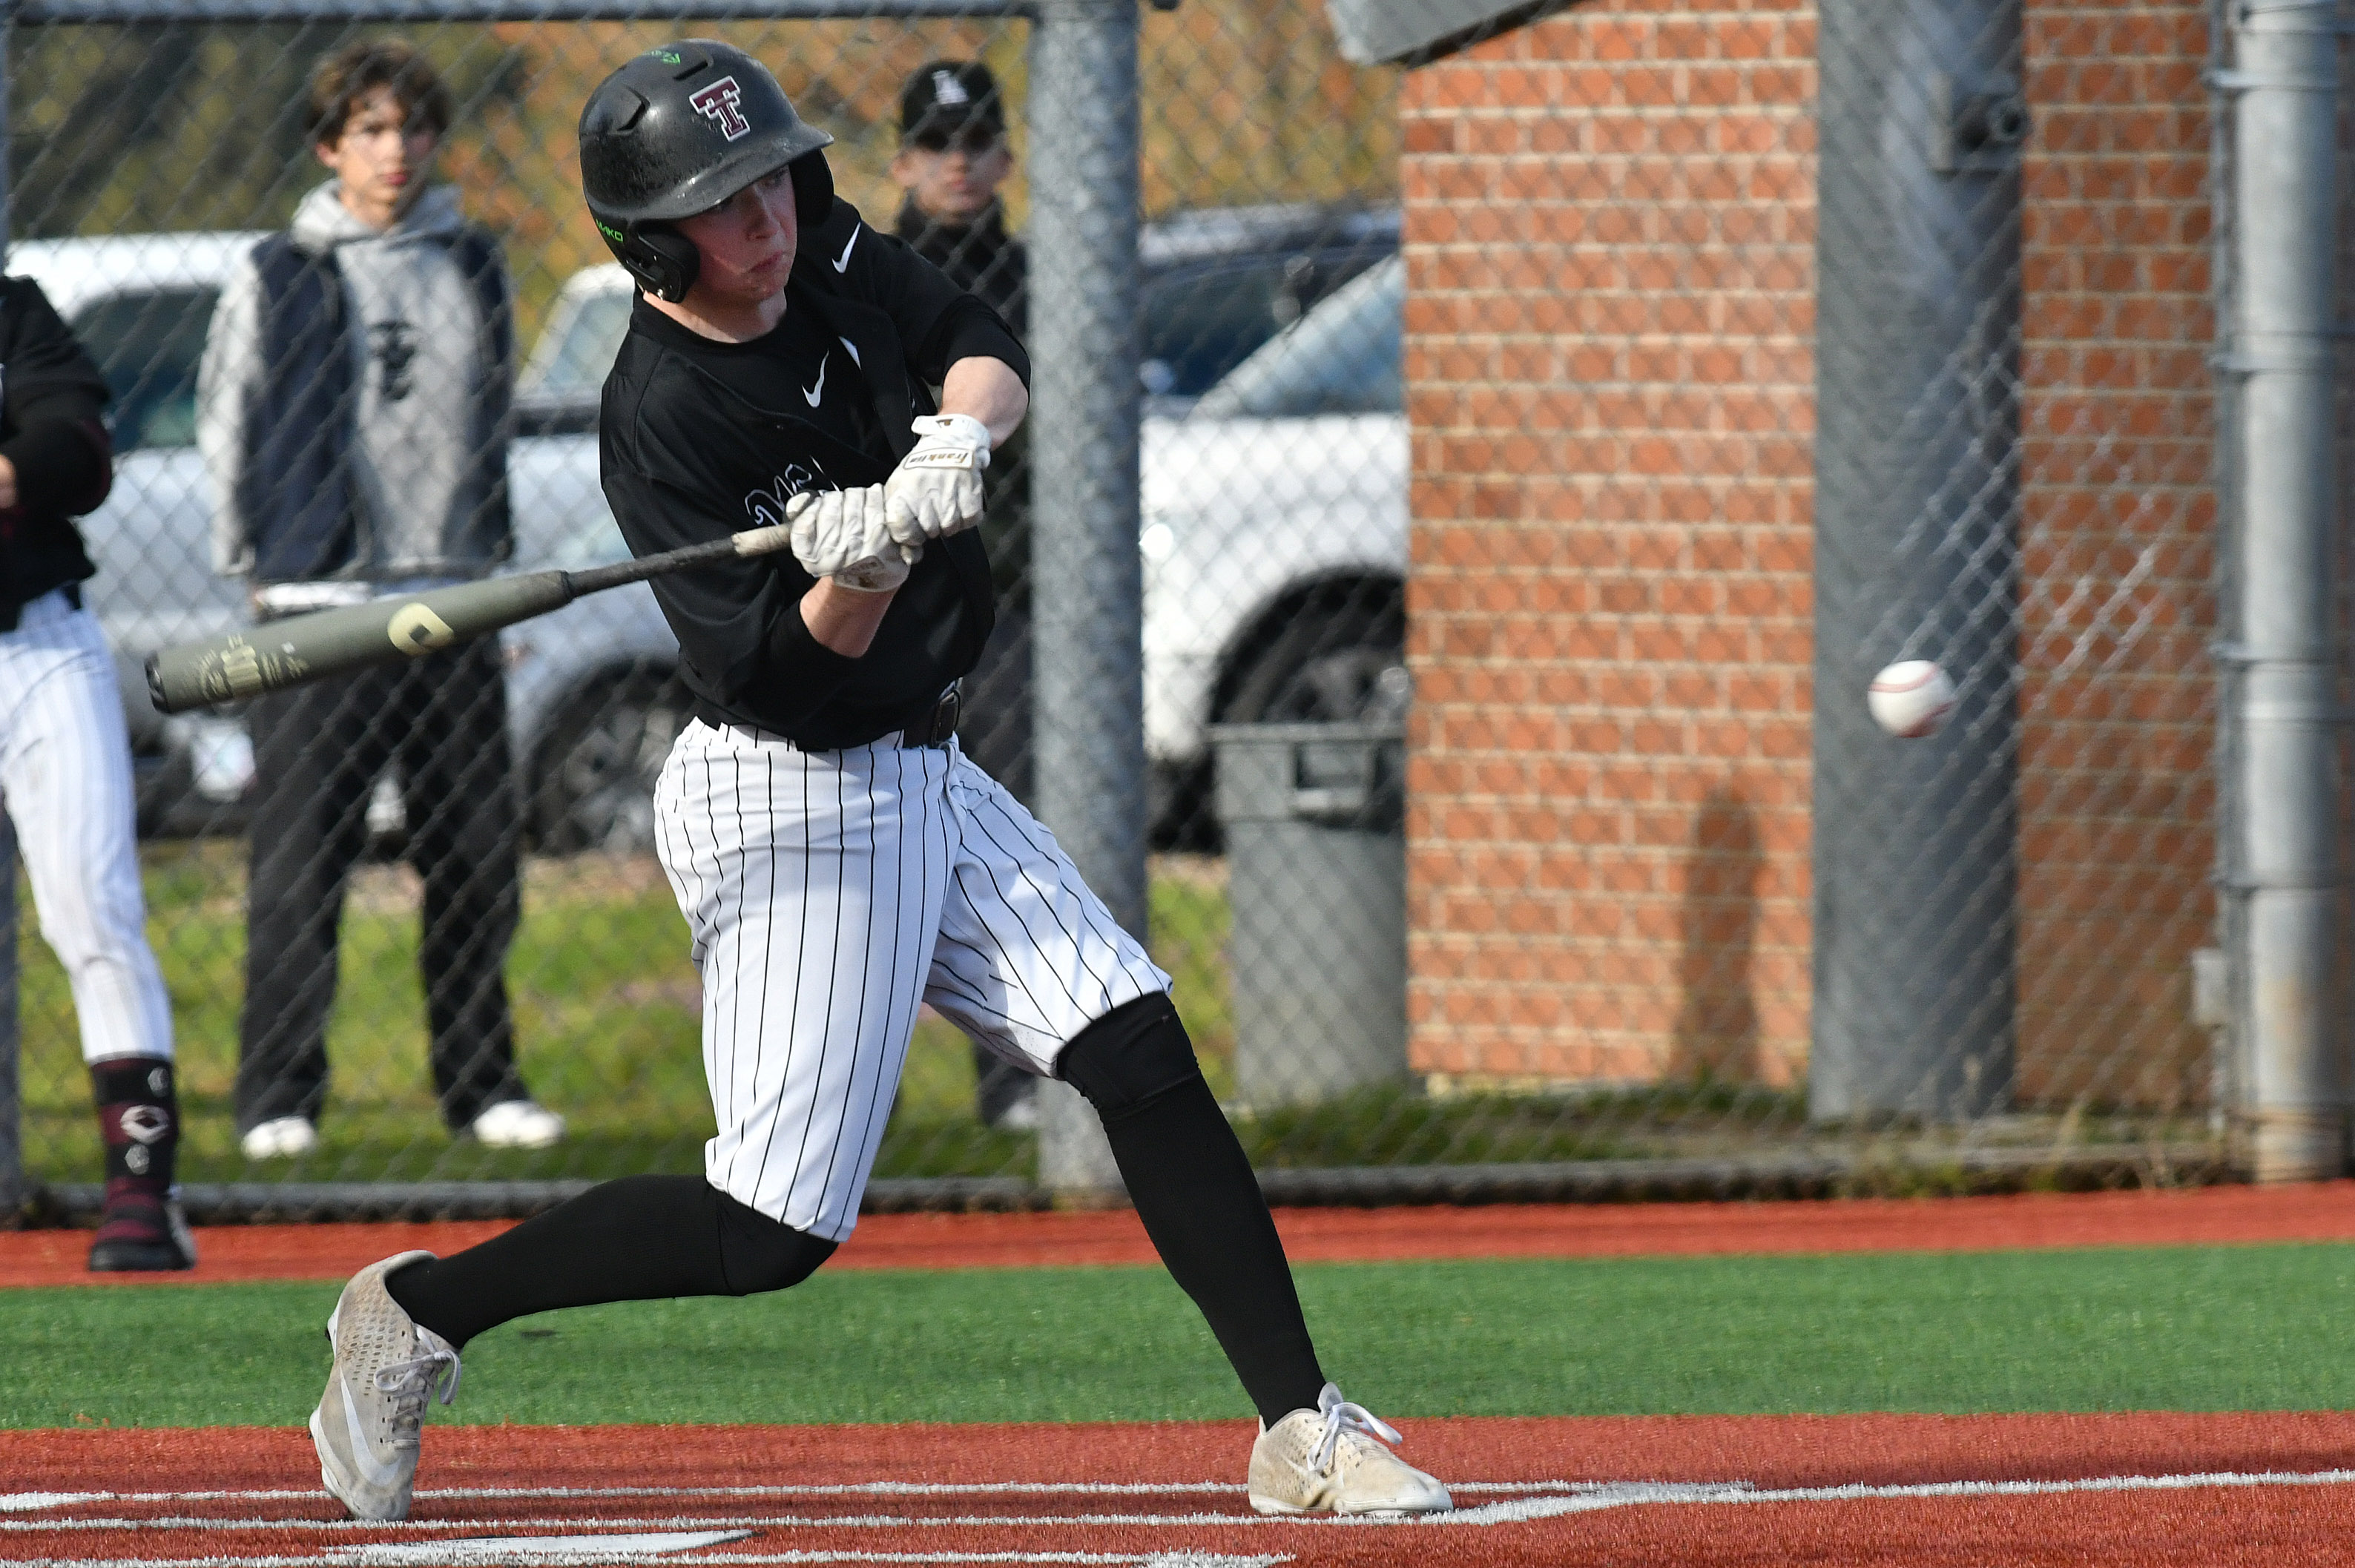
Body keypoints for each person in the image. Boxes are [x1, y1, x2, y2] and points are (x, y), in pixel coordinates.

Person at [300, 40, 1452, 1526]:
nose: (766, 219)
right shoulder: (661, 418)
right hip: (790, 793)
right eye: (723, 205)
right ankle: (418, 1313)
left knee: (1136, 1049)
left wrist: (956, 431)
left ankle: (1300, 1426)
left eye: (772, 178)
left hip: (926, 764)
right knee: (767, 1229)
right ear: (652, 240)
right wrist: (862, 563)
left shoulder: (823, 245)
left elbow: (970, 329)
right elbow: (780, 677)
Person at [197, 39, 562, 1161]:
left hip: (450, 599)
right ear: (328, 147)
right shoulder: (279, 271)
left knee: (472, 857)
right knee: (303, 862)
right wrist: (251, 574)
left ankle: (481, 1082)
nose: (394, 151)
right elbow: (228, 417)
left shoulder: (474, 264)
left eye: (410, 128)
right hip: (317, 600)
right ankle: (278, 1099)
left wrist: (493, 578)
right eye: (369, 130)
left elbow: (490, 426)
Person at [0, 279, 192, 1272]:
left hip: (35, 647)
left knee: (90, 908)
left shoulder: (11, 310)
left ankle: (140, 1191)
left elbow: (75, 453)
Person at [891, 58, 1036, 1132]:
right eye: (938, 143)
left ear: (1007, 156)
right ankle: (854, 1093)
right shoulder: (867, 276)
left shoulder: (1036, 276)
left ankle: (1013, 1092)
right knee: (873, 846)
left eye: (977, 140)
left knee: (1009, 839)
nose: (959, 161)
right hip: (888, 602)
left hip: (1017, 602)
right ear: (902, 160)